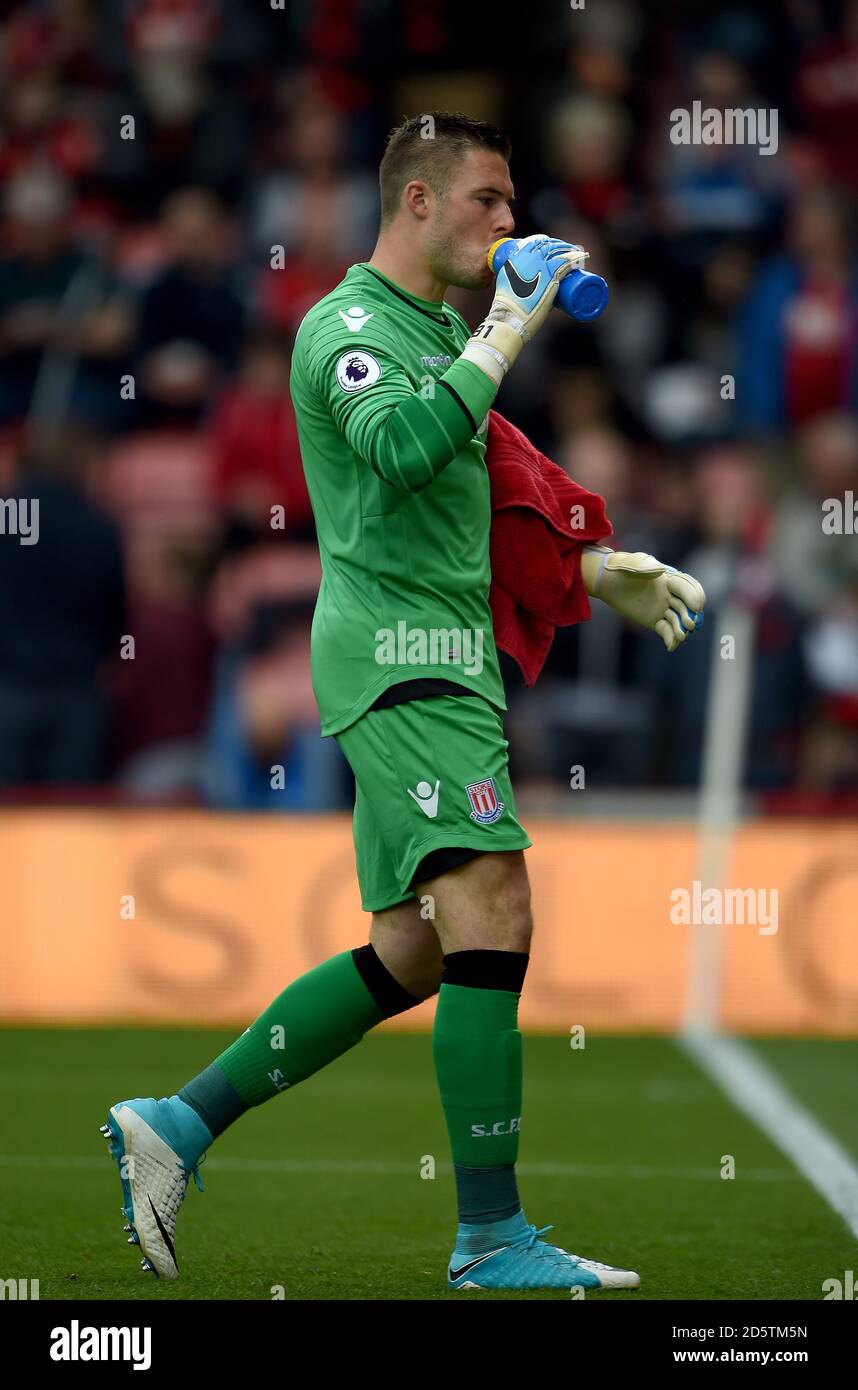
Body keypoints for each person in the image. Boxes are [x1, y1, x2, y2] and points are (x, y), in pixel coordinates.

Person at [101, 112, 705, 1293]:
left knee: (415, 950)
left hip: (443, 654)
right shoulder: (346, 328)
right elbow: (402, 451)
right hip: (402, 657)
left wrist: (588, 567)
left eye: (512, 200)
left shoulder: (433, 326)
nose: (507, 221)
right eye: (487, 199)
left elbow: (475, 494)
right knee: (495, 903)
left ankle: (177, 1122)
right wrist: (505, 329)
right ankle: (489, 1239)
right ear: (417, 203)